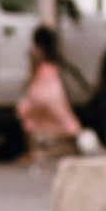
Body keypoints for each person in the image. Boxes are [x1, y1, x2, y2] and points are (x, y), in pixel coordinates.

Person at [18, 27, 84, 159]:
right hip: (53, 84)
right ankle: (74, 143)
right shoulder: (53, 54)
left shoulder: (34, 52)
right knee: (62, 115)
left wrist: (27, 85)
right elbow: (68, 68)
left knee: (28, 115)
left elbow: (32, 70)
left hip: (40, 85)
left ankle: (31, 149)